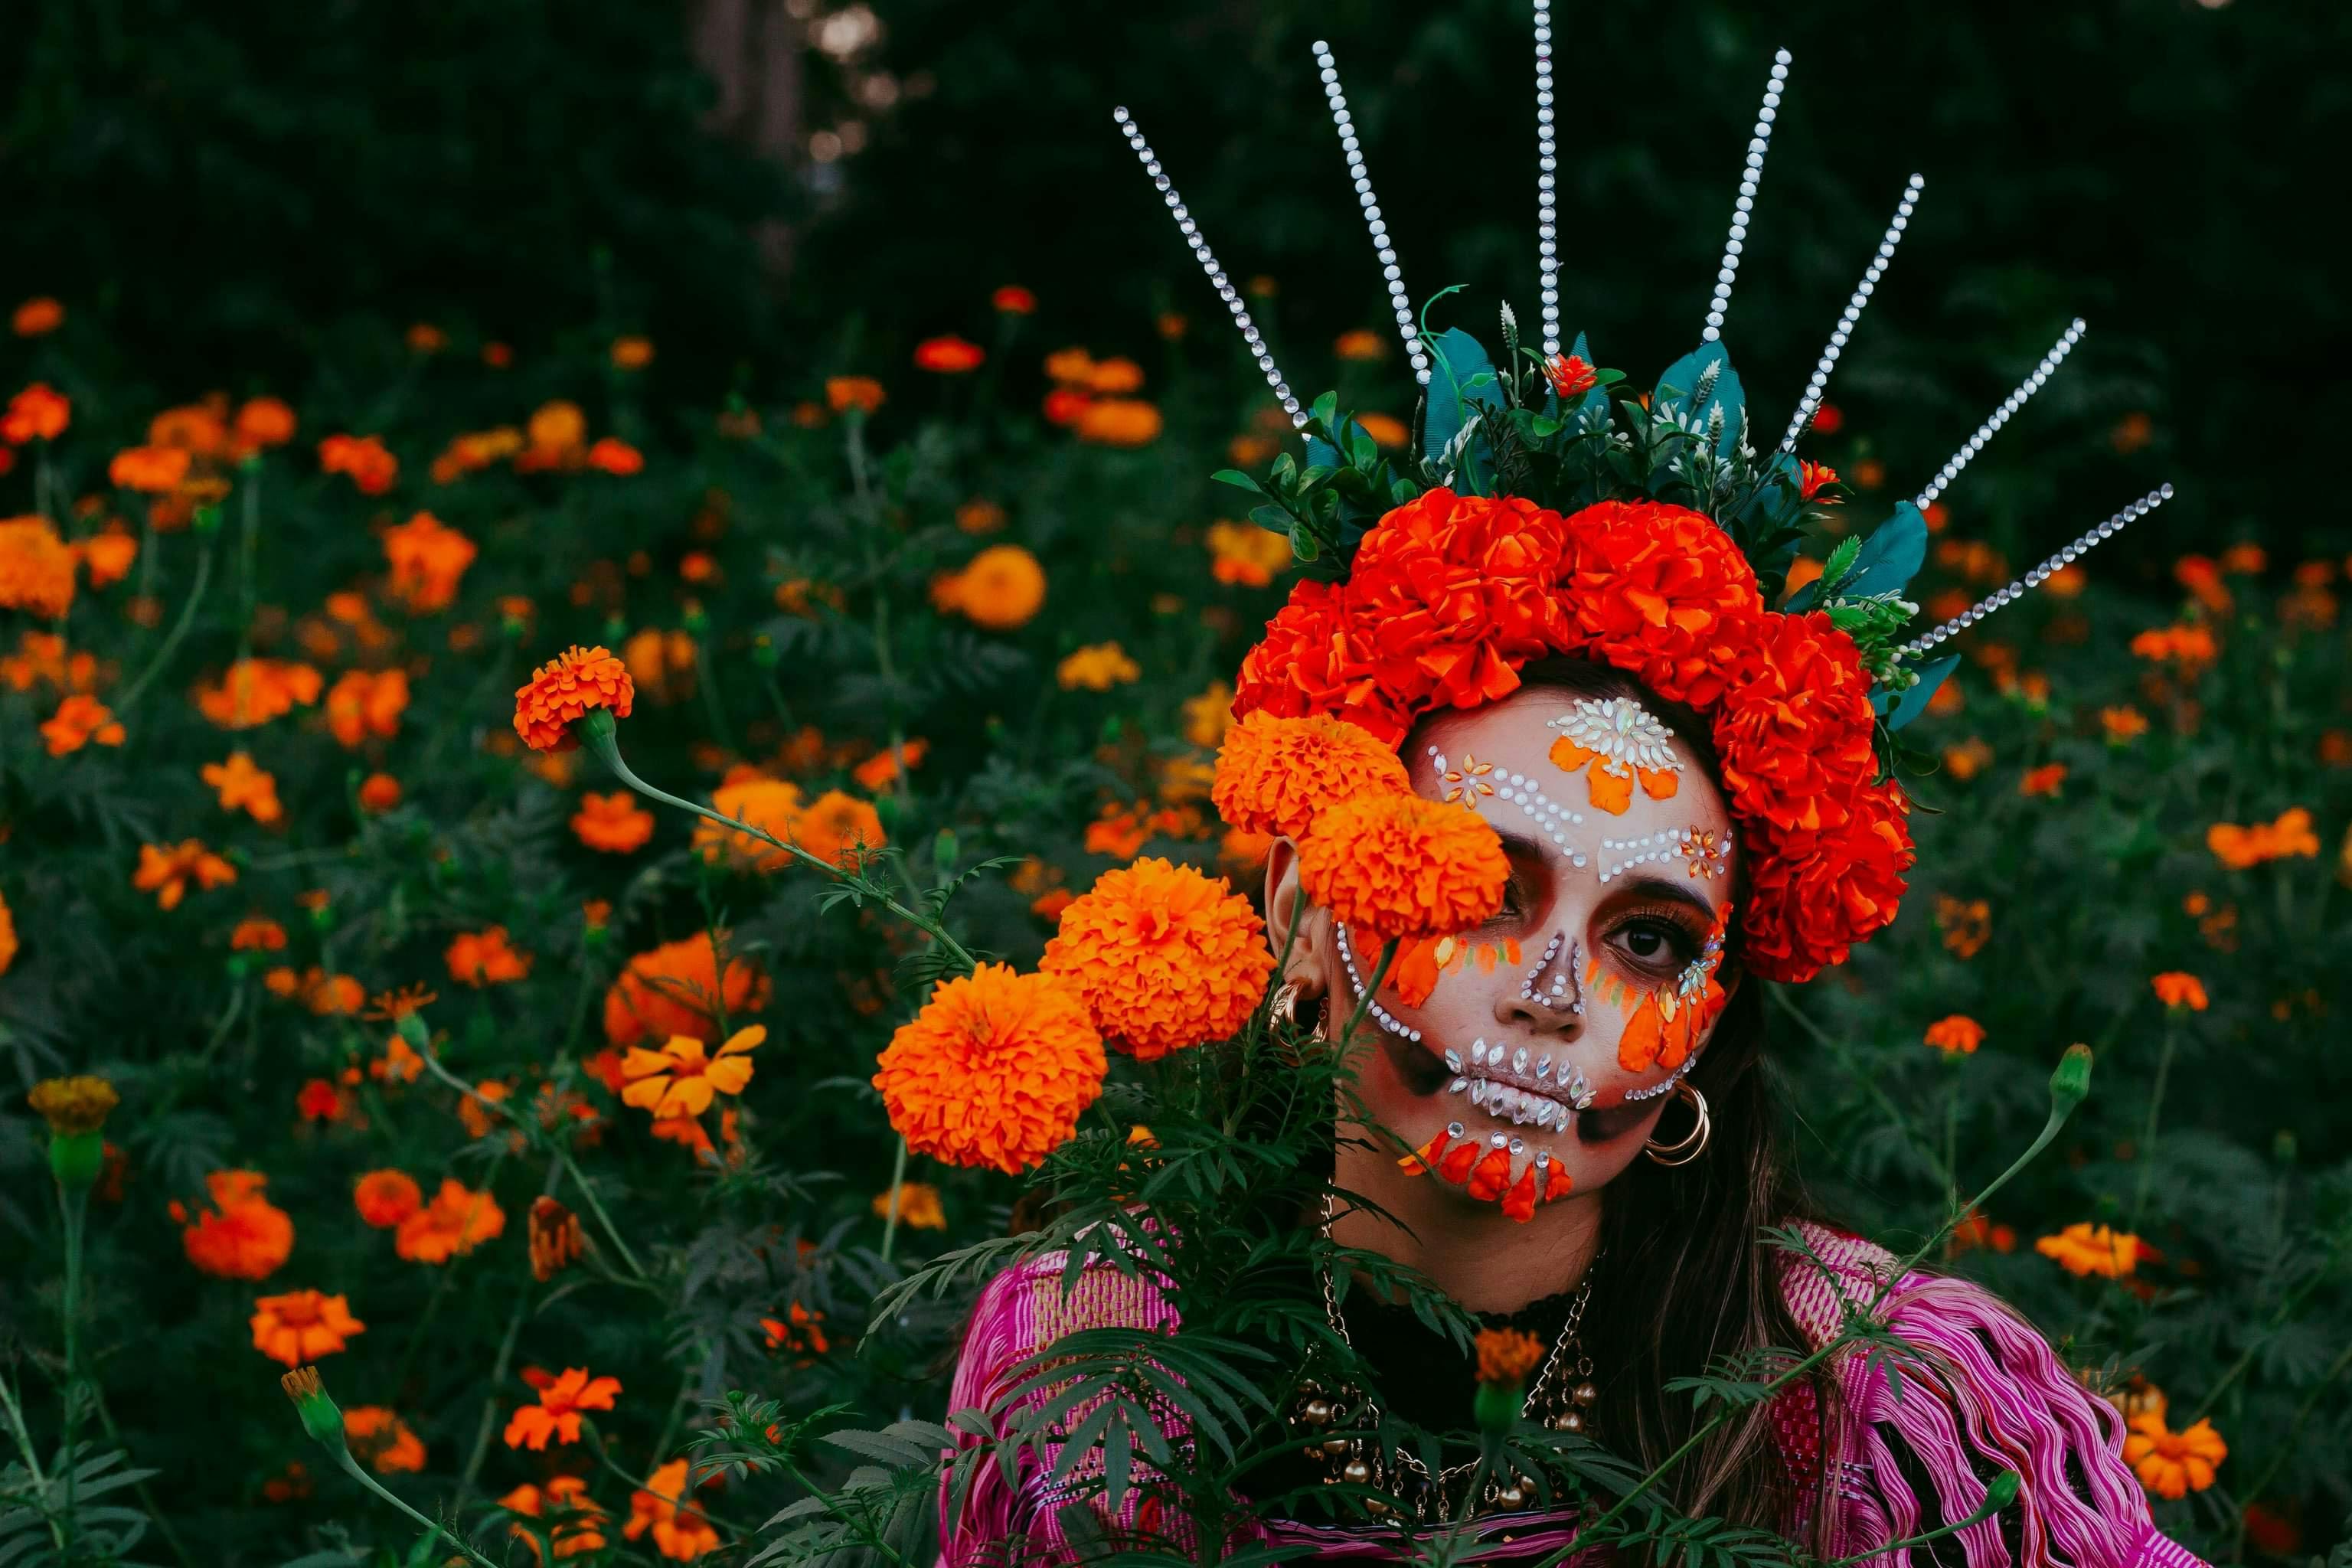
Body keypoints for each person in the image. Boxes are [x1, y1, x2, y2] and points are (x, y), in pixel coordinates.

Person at [938, 21, 2199, 1567]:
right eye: (1483, 888)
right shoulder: (1097, 1342)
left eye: (1649, 939)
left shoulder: (1867, 1403)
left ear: (1715, 1017)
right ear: (1303, 914)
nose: (1551, 992)